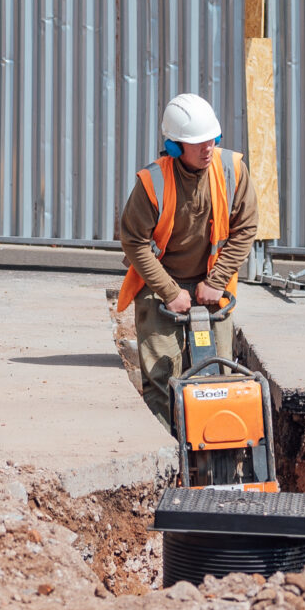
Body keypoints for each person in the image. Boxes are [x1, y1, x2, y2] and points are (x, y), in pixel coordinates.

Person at [115, 92, 258, 428]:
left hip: (212, 285)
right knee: (162, 375)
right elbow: (133, 240)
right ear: (176, 146)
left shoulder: (233, 171)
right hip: (161, 285)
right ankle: (168, 447)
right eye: (198, 143)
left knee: (218, 373)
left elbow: (246, 228)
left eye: (212, 139)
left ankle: (217, 443)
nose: (208, 148)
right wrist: (169, 291)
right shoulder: (152, 182)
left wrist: (217, 280)